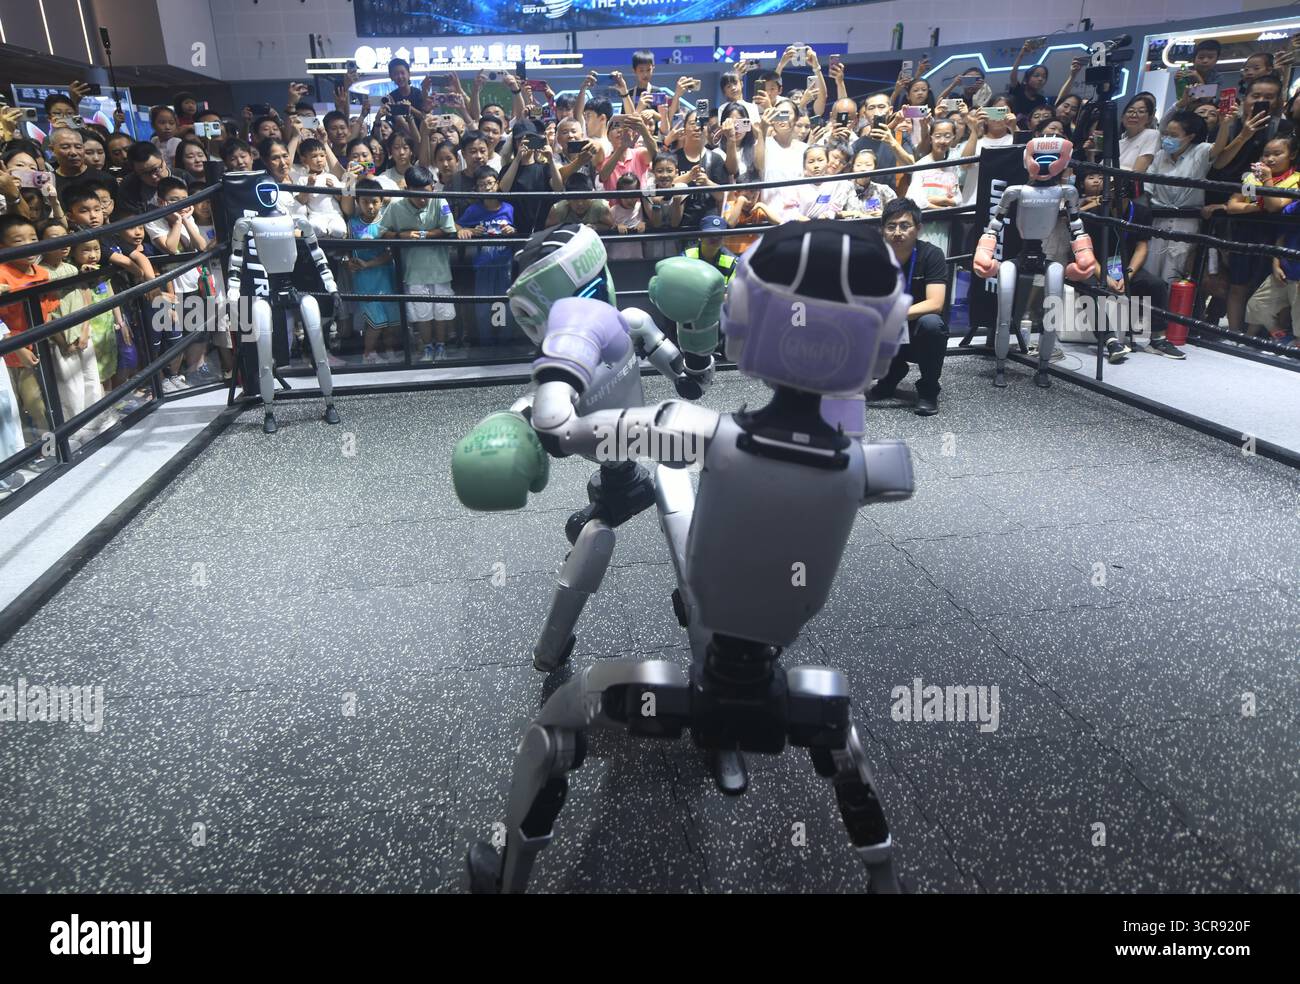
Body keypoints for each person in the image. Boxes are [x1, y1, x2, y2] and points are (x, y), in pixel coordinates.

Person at [867, 199, 948, 415]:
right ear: (882, 230)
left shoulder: (931, 254)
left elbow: (936, 303)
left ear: (918, 229)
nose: (897, 232)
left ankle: (929, 390)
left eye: (905, 225)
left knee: (932, 323)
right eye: (891, 226)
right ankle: (890, 374)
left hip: (918, 332)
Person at [378, 164, 458, 361]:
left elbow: (448, 230)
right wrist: (400, 235)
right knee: (422, 313)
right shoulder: (396, 206)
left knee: (441, 312)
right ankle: (427, 347)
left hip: (440, 270)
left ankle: (441, 346)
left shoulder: (439, 201)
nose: (423, 199)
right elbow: (381, 232)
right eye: (418, 194)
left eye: (427, 194)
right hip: (413, 272)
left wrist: (423, 234)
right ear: (407, 190)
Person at [0, 214, 58, 443]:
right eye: (18, 241)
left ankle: (46, 447)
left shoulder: (42, 273)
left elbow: (49, 310)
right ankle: (22, 450)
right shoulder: (2, 274)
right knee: (12, 405)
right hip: (9, 353)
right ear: (3, 247)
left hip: (36, 349)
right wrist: (18, 346)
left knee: (37, 403)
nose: (28, 245)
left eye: (33, 238)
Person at [343, 178, 402, 364]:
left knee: (391, 320)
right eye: (365, 202)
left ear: (381, 200)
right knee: (376, 321)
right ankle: (368, 353)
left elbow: (390, 253)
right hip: (364, 281)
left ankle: (391, 351)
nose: (370, 206)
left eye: (375, 201)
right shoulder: (352, 224)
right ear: (357, 202)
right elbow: (345, 252)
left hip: (387, 277)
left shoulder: (388, 219)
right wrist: (348, 262)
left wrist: (368, 264)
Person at [459, 166, 516, 349]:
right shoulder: (474, 210)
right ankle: (486, 343)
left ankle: (505, 342)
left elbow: (518, 231)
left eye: (490, 183)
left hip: (504, 266)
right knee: (483, 306)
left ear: (498, 184)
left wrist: (512, 231)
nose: (487, 188)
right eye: (482, 185)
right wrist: (467, 230)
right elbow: (456, 225)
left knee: (504, 304)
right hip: (483, 267)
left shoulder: (509, 208)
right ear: (477, 189)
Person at [683, 214, 737, 283]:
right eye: (710, 234)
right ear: (700, 237)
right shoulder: (685, 257)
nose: (715, 238)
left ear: (724, 239)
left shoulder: (732, 263)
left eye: (719, 235)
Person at [1118, 94, 1159, 175]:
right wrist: (1091, 153)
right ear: (1122, 117)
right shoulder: (1120, 142)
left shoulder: (1152, 135)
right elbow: (1099, 172)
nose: (1133, 115)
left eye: (1141, 111)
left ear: (1149, 118)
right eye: (1130, 111)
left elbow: (1137, 173)